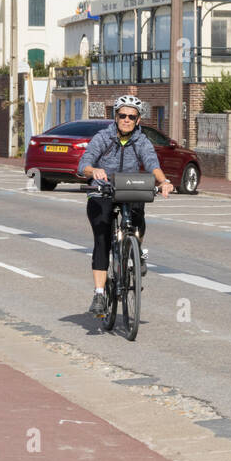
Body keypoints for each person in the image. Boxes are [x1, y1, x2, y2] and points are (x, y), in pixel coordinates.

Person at [78, 96, 174, 316]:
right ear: (116, 116)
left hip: (128, 187)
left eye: (132, 117)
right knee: (102, 239)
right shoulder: (104, 137)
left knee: (138, 218)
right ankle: (100, 293)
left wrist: (164, 181)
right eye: (123, 115)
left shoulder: (141, 141)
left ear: (138, 120)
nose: (127, 120)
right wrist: (94, 172)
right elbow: (85, 162)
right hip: (101, 190)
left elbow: (152, 163)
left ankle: (136, 251)